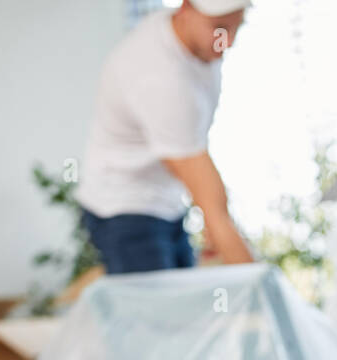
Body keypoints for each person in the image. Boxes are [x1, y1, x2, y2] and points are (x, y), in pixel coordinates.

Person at [76, 0, 255, 274]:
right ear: (185, 8)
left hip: (167, 203)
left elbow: (194, 150)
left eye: (236, 28)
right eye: (219, 28)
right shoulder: (159, 76)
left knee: (182, 302)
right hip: (124, 208)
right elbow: (202, 189)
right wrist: (258, 282)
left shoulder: (198, 43)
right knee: (156, 313)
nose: (227, 42)